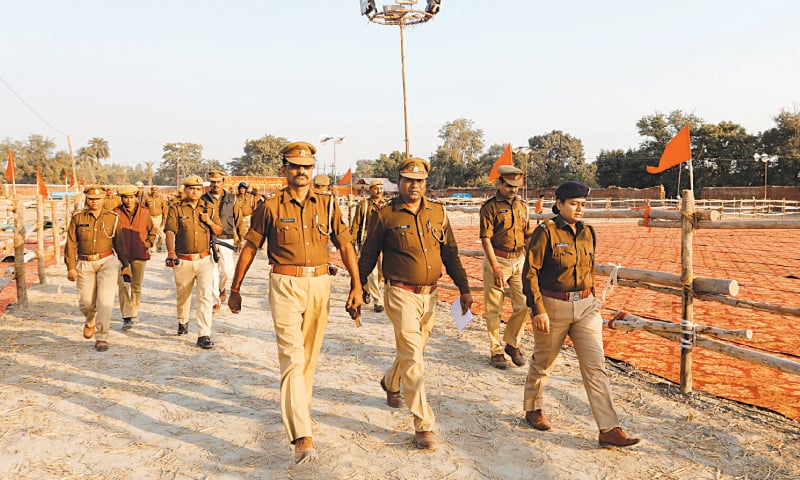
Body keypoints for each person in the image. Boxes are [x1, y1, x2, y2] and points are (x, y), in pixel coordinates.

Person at [227, 141, 362, 464]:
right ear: (284, 170)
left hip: (319, 283)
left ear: (312, 170)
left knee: (310, 358)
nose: (301, 172)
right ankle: (302, 434)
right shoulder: (270, 206)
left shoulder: (328, 205)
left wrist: (357, 285)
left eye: (306, 166)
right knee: (292, 356)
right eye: (294, 166)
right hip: (284, 283)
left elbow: (344, 247)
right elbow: (250, 247)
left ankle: (300, 408)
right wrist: (235, 287)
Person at [358, 157, 472, 451]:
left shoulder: (438, 213)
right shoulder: (386, 215)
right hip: (399, 293)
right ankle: (424, 424)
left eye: (420, 181)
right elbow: (368, 255)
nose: (414, 186)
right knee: (414, 355)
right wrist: (356, 288)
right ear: (398, 182)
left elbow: (451, 254)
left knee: (413, 351)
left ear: (426, 183)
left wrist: (464, 288)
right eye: (409, 180)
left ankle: (390, 381)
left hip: (430, 296)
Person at [521, 181, 641, 448]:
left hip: (586, 306)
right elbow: (530, 273)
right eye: (574, 204)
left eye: (583, 204)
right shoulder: (546, 232)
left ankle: (609, 428)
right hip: (553, 307)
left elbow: (590, 268)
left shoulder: (588, 232)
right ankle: (533, 408)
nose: (579, 209)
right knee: (544, 362)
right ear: (560, 204)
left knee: (596, 366)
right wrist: (537, 309)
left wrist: (593, 300)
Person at [480, 165, 533, 370]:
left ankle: (512, 343)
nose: (513, 190)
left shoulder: (522, 206)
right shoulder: (490, 207)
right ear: (499, 183)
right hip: (498, 259)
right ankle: (496, 350)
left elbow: (527, 235)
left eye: (516, 186)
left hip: (518, 260)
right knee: (494, 308)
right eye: (509, 185)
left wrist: (532, 261)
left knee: (525, 303)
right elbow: (485, 239)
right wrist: (495, 267)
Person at [164, 175, 223, 349]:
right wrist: (171, 252)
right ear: (185, 190)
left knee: (205, 296)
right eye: (191, 188)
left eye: (198, 189)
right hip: (183, 259)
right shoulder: (176, 208)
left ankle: (204, 334)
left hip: (204, 259)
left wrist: (209, 221)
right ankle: (183, 321)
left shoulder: (209, 208)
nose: (195, 192)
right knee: (183, 294)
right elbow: (170, 231)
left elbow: (219, 230)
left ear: (201, 191)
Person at [64, 185, 126, 352]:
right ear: (86, 199)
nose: (95, 202)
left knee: (104, 301)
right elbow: (70, 244)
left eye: (98, 199)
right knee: (86, 303)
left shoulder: (113, 218)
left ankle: (102, 337)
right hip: (84, 263)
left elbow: (119, 243)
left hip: (107, 262)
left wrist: (126, 265)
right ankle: (90, 319)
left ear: (104, 199)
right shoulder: (78, 218)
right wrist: (70, 267)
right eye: (91, 199)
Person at [201, 170, 246, 312]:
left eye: (218, 181)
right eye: (212, 182)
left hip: (227, 238)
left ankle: (221, 288)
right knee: (212, 272)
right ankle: (215, 301)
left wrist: (242, 240)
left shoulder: (232, 199)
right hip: (209, 239)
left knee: (227, 272)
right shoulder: (203, 199)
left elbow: (239, 221)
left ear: (223, 182)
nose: (215, 184)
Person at [114, 185, 155, 330]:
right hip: (121, 255)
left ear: (136, 197)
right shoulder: (115, 213)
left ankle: (134, 312)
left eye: (131, 197)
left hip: (139, 253)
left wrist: (148, 243)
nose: (129, 200)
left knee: (136, 286)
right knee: (123, 285)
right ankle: (126, 316)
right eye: (126, 197)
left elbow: (152, 230)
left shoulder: (144, 211)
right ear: (122, 198)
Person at [350, 179, 387, 312]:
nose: (379, 191)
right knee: (372, 273)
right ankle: (378, 301)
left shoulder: (387, 204)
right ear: (371, 189)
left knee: (382, 272)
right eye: (376, 188)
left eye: (381, 188)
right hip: (367, 243)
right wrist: (351, 242)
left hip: (384, 243)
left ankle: (366, 287)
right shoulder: (364, 204)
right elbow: (356, 224)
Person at [144, 186, 167, 252]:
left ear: (157, 191)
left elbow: (165, 209)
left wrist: (164, 219)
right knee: (151, 233)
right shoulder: (147, 198)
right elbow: (145, 208)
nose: (154, 191)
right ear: (151, 190)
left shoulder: (161, 198)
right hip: (150, 217)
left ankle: (159, 245)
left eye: (156, 190)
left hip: (159, 217)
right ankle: (152, 246)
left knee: (162, 235)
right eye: (153, 190)